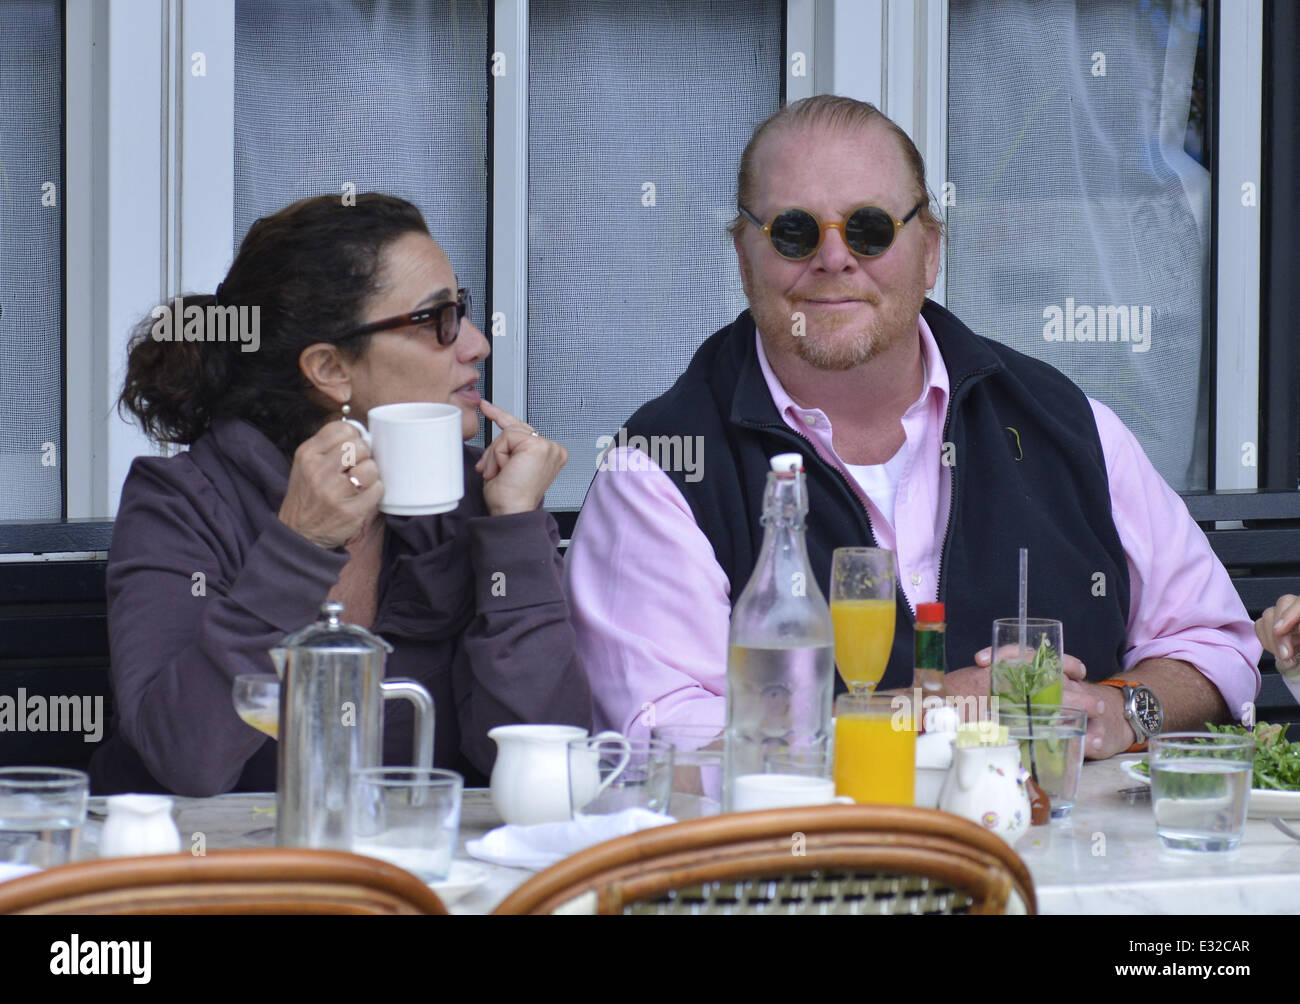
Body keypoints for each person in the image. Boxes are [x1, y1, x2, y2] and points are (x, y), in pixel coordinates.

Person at [564, 95, 1260, 760]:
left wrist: (1121, 708)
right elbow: (668, 742)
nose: (834, 259)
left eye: (868, 228)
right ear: (745, 258)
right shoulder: (661, 469)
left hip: (1073, 871)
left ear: (930, 249)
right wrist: (932, 714)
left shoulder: (1065, 424)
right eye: (794, 231)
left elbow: (1215, 644)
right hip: (811, 878)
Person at [91, 193, 589, 796]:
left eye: (463, 309)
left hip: (421, 874)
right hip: (217, 877)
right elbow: (187, 760)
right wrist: (299, 545)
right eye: (437, 320)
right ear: (330, 369)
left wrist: (515, 531)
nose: (476, 343)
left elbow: (547, 770)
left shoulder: (476, 500)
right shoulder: (183, 503)